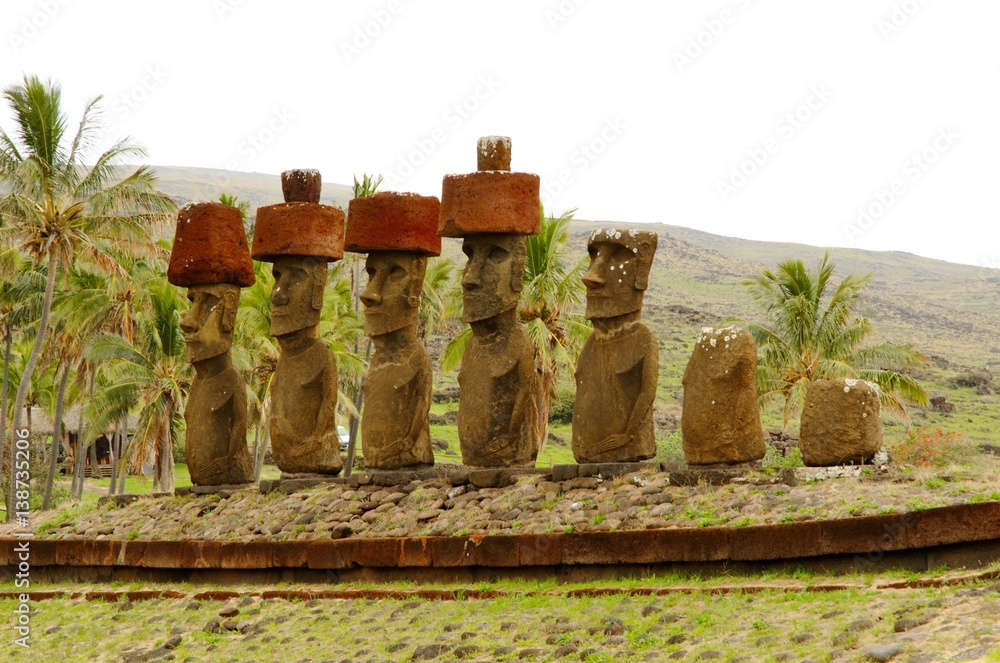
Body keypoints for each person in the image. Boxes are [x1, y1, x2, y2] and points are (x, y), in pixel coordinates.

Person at [572, 229, 659, 463]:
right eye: (593, 256)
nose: (590, 276)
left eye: (617, 257)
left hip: (623, 448)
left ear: (642, 271)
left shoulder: (642, 338)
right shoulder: (592, 342)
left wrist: (627, 435)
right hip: (586, 453)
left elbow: (647, 392)